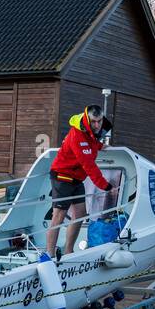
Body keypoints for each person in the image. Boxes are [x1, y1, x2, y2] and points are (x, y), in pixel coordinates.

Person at [47, 106, 112, 260]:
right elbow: (89, 165)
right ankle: (49, 255)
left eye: (100, 121)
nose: (97, 125)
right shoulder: (77, 134)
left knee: (80, 213)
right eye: (94, 122)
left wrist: (100, 146)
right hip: (62, 177)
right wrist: (105, 186)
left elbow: (92, 142)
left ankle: (68, 252)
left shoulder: (89, 131)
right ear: (87, 119)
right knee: (59, 216)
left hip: (76, 179)